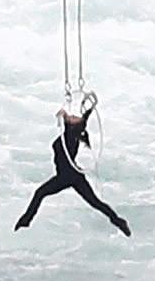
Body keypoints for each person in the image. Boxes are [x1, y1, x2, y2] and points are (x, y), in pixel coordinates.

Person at [15, 94, 130, 236]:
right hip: (74, 175)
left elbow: (76, 121)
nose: (72, 116)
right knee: (95, 202)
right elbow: (76, 119)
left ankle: (25, 220)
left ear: (74, 125)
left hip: (66, 176)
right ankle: (118, 221)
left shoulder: (71, 135)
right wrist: (87, 108)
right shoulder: (71, 132)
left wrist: (78, 112)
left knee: (40, 193)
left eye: (74, 118)